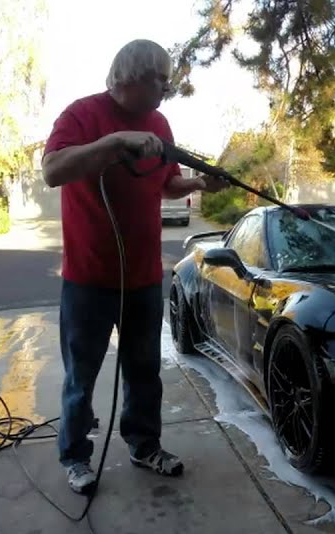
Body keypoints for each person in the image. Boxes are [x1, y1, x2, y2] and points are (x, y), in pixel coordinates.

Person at [41, 39, 228, 494]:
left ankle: (144, 446)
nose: (166, 87)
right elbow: (52, 170)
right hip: (88, 278)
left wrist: (200, 181)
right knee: (80, 376)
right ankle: (75, 457)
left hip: (143, 277)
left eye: (167, 78)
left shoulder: (159, 124)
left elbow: (166, 184)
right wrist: (113, 141)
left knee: (144, 370)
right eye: (158, 78)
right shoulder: (82, 115)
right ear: (129, 76)